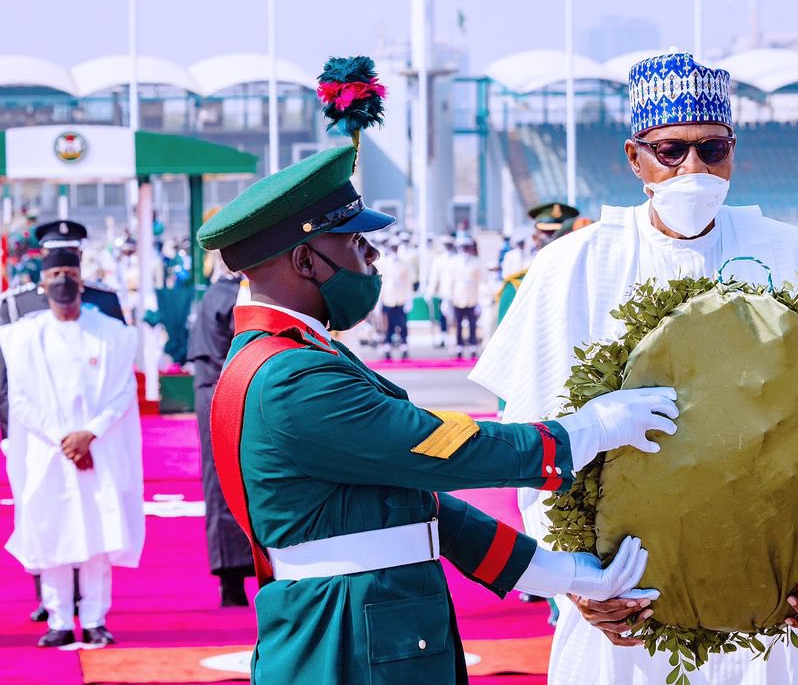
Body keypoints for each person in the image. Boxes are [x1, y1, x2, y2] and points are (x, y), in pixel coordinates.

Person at [195, 142, 681, 685]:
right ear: (305, 261)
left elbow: (418, 508)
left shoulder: (293, 356)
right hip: (348, 640)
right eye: (355, 242)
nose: (372, 256)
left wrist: (562, 572)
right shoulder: (292, 378)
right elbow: (437, 448)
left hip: (360, 625)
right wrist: (588, 430)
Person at [472, 50, 798, 685]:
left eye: (712, 149)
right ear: (635, 157)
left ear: (733, 152)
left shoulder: (795, 255)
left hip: (770, 576)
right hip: (623, 583)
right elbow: (536, 433)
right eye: (671, 151)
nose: (694, 169)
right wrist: (575, 578)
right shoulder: (576, 265)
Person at [0, 248, 143, 648]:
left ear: (81, 280)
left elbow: (123, 391)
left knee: (99, 534)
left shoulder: (110, 334)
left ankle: (96, 618)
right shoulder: (23, 337)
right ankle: (59, 619)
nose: (63, 281)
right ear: (43, 282)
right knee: (53, 531)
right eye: (55, 273)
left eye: (70, 273)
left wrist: (89, 434)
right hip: (49, 451)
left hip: (97, 447)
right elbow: (19, 399)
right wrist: (63, 438)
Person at [187, 245, 254, 608]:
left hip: (214, 391)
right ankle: (234, 578)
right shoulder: (235, 297)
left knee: (220, 485)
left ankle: (231, 579)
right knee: (237, 484)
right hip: (226, 395)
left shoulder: (217, 293)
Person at [378, 240, 415, 361]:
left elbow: (408, 282)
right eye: (392, 247)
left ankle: (404, 348)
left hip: (401, 298)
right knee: (388, 326)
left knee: (402, 325)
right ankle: (387, 349)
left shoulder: (404, 263)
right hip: (388, 298)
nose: (394, 250)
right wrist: (379, 300)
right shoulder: (384, 263)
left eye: (395, 247)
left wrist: (409, 299)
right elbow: (381, 282)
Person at [449, 237, 484, 358]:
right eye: (463, 248)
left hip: (472, 298)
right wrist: (447, 299)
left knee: (472, 325)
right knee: (458, 325)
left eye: (467, 247)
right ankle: (459, 347)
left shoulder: (476, 262)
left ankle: (473, 347)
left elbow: (481, 282)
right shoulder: (454, 262)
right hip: (457, 298)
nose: (465, 250)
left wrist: (480, 301)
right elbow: (450, 281)